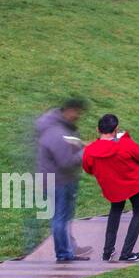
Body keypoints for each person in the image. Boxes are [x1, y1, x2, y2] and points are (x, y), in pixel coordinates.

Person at [82, 114, 139, 262]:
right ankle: (126, 253)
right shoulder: (124, 143)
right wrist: (126, 138)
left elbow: (88, 169)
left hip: (114, 188)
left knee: (115, 212)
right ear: (116, 129)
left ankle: (107, 251)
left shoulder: (90, 151)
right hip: (136, 184)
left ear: (97, 129)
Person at [35, 98, 91, 263]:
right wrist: (85, 151)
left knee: (63, 217)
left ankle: (68, 250)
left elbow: (67, 147)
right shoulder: (56, 131)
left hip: (60, 180)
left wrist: (80, 145)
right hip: (59, 181)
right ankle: (64, 254)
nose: (78, 116)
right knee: (60, 218)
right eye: (77, 112)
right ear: (68, 110)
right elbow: (66, 161)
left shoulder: (61, 127)